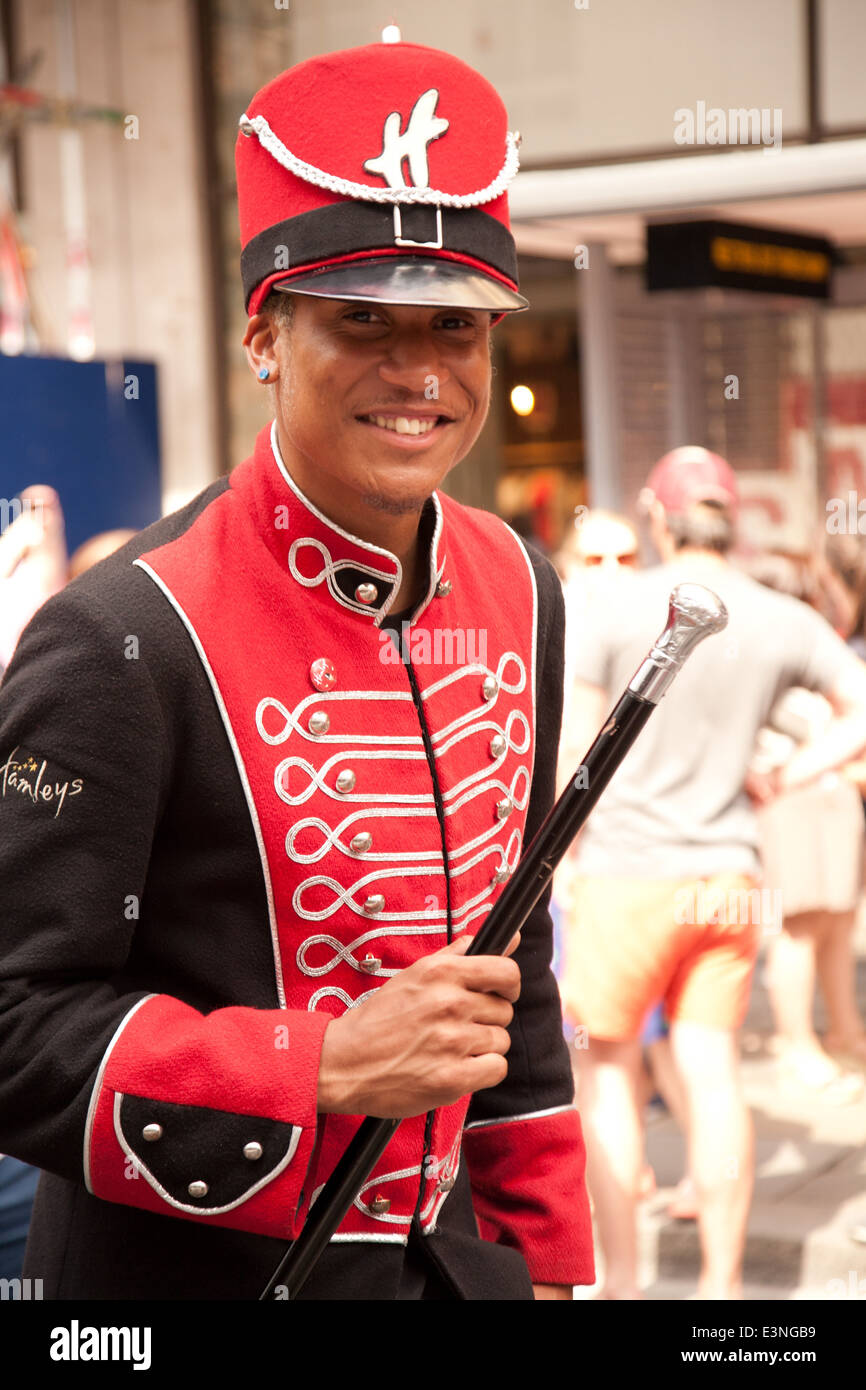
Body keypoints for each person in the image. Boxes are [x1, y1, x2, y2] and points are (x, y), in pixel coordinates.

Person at [0, 40, 593, 1301]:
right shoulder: (124, 629)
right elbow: (11, 1025)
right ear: (264, 335)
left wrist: (545, 1262)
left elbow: (514, 953)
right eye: (361, 322)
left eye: (457, 326)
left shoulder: (519, 589)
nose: (420, 370)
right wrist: (313, 1065)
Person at [557, 446, 866, 1300]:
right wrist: (791, 776)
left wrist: (561, 867)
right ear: (730, 522)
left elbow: (574, 758)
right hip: (727, 878)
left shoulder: (612, 605)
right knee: (714, 1071)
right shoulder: (778, 615)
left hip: (627, 875)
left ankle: (623, 1286)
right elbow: (860, 705)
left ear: (658, 518)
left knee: (609, 1080)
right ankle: (723, 1296)